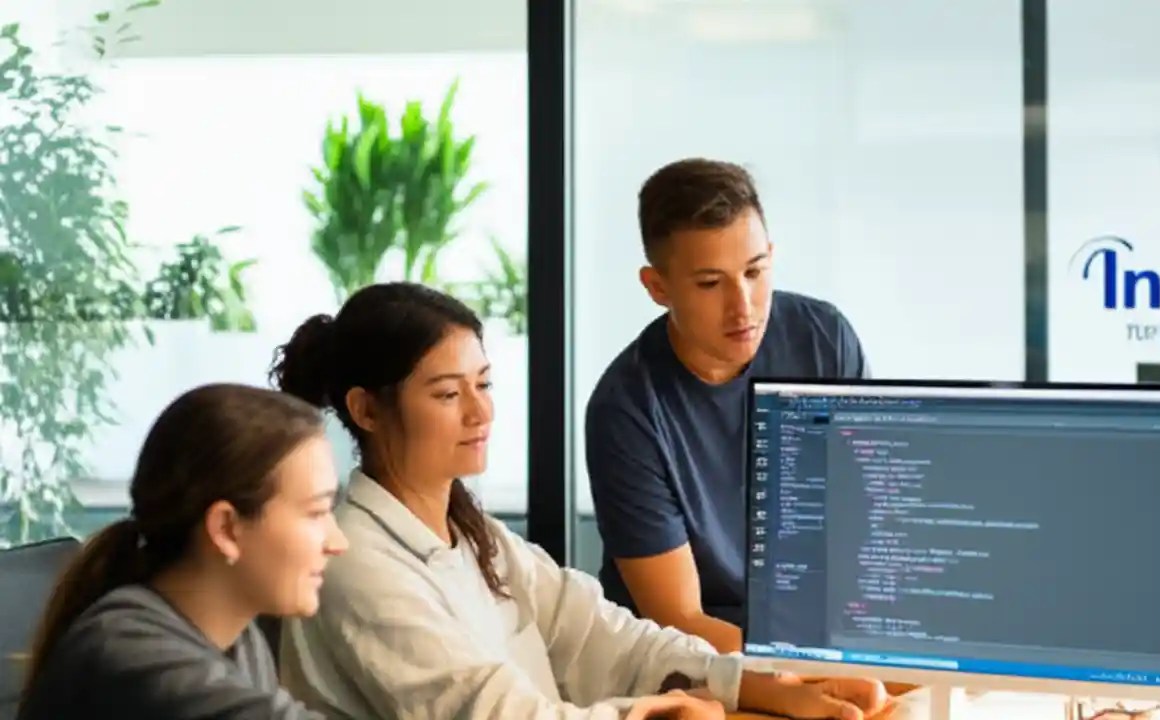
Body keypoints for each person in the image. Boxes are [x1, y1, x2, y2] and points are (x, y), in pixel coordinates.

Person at [270, 281, 890, 720]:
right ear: (366, 410)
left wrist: (756, 682)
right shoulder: (356, 564)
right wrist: (658, 714)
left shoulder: (466, 527)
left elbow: (595, 629)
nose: (481, 411)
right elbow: (491, 713)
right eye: (446, 394)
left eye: (483, 384)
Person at [585, 157, 871, 654]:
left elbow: (865, 521)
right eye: (710, 284)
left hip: (816, 638)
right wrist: (808, 674)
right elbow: (679, 618)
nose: (744, 307)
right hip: (694, 662)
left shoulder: (824, 339)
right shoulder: (626, 409)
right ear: (657, 287)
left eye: (756, 272)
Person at [17, 383, 348, 720]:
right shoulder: (132, 653)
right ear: (226, 528)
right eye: (317, 512)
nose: (338, 542)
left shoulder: (240, 641)